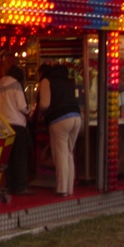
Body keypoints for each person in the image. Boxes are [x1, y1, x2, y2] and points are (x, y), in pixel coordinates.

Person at [39, 65, 81, 196]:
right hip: (76, 117)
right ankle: (69, 188)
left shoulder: (46, 81)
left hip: (60, 119)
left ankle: (61, 189)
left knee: (60, 154)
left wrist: (40, 109)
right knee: (68, 153)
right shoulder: (67, 82)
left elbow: (44, 103)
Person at [0, 62, 33, 195]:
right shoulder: (16, 85)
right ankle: (21, 186)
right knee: (20, 156)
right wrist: (29, 111)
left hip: (2, 127)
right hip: (17, 125)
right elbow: (22, 106)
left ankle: (10, 184)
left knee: (7, 158)